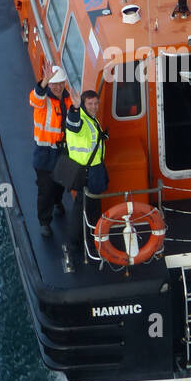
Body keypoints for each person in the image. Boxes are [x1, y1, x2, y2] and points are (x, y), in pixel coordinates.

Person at [29, 60, 72, 238]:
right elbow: (35, 97)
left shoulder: (70, 99)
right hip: (45, 153)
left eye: (60, 83)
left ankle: (58, 201)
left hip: (64, 152)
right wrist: (44, 81)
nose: (57, 87)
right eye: (54, 84)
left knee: (61, 183)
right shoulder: (43, 101)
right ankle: (44, 222)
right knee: (45, 190)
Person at [65, 88, 109, 256]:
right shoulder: (80, 118)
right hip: (88, 170)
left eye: (96, 103)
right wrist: (75, 108)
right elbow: (73, 125)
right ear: (83, 105)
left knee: (92, 204)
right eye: (90, 104)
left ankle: (93, 234)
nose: (94, 107)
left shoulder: (91, 118)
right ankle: (76, 242)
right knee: (82, 206)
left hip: (94, 169)